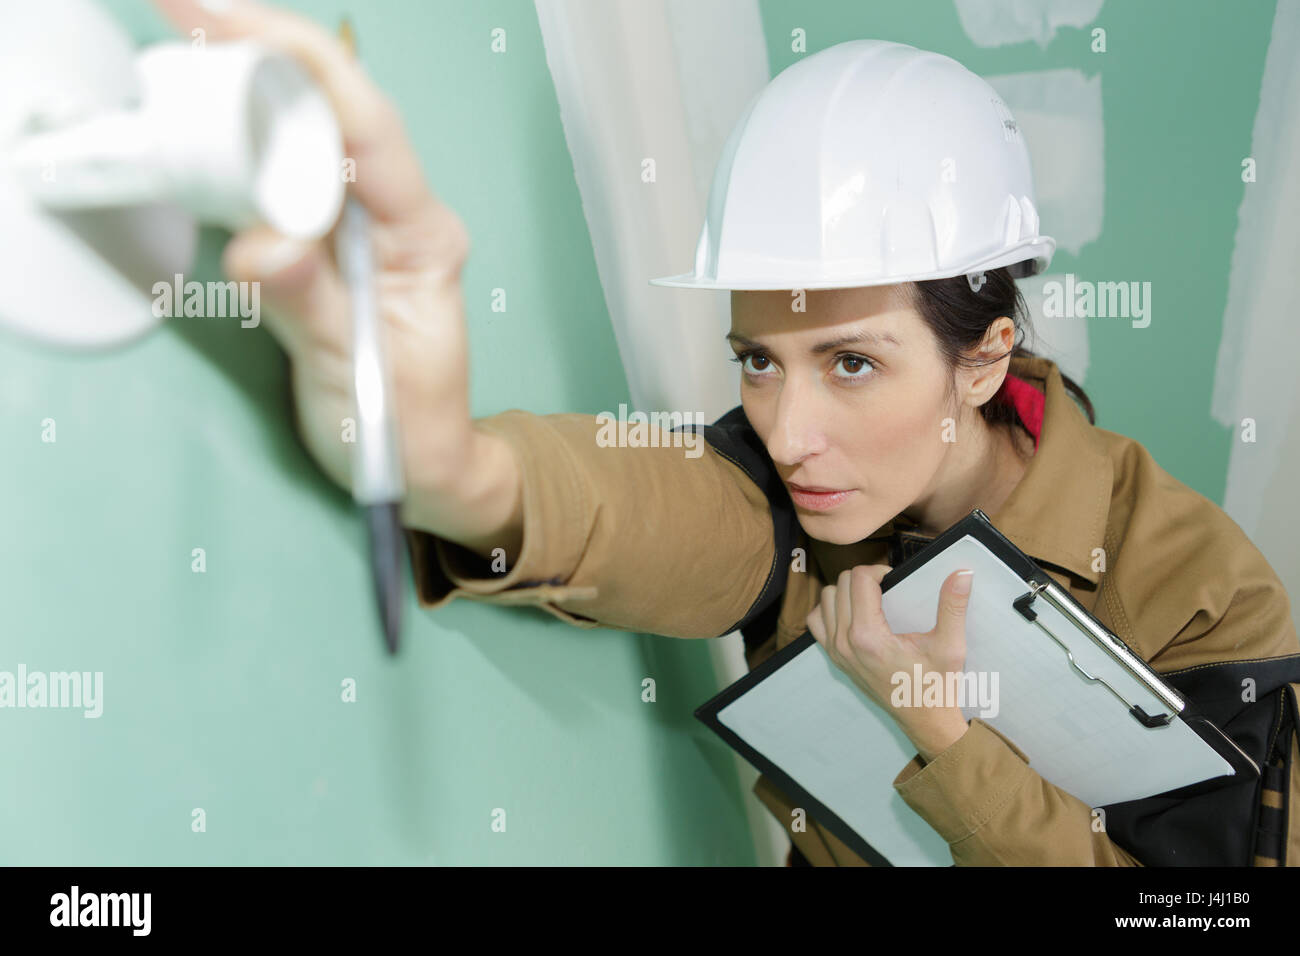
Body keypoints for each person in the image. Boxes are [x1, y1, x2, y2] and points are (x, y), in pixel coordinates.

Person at [154, 0, 1300, 866]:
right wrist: (441, 460)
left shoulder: (1198, 588)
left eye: (851, 363)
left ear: (984, 357)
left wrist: (950, 748)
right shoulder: (784, 495)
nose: (788, 431)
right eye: (758, 359)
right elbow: (653, 507)